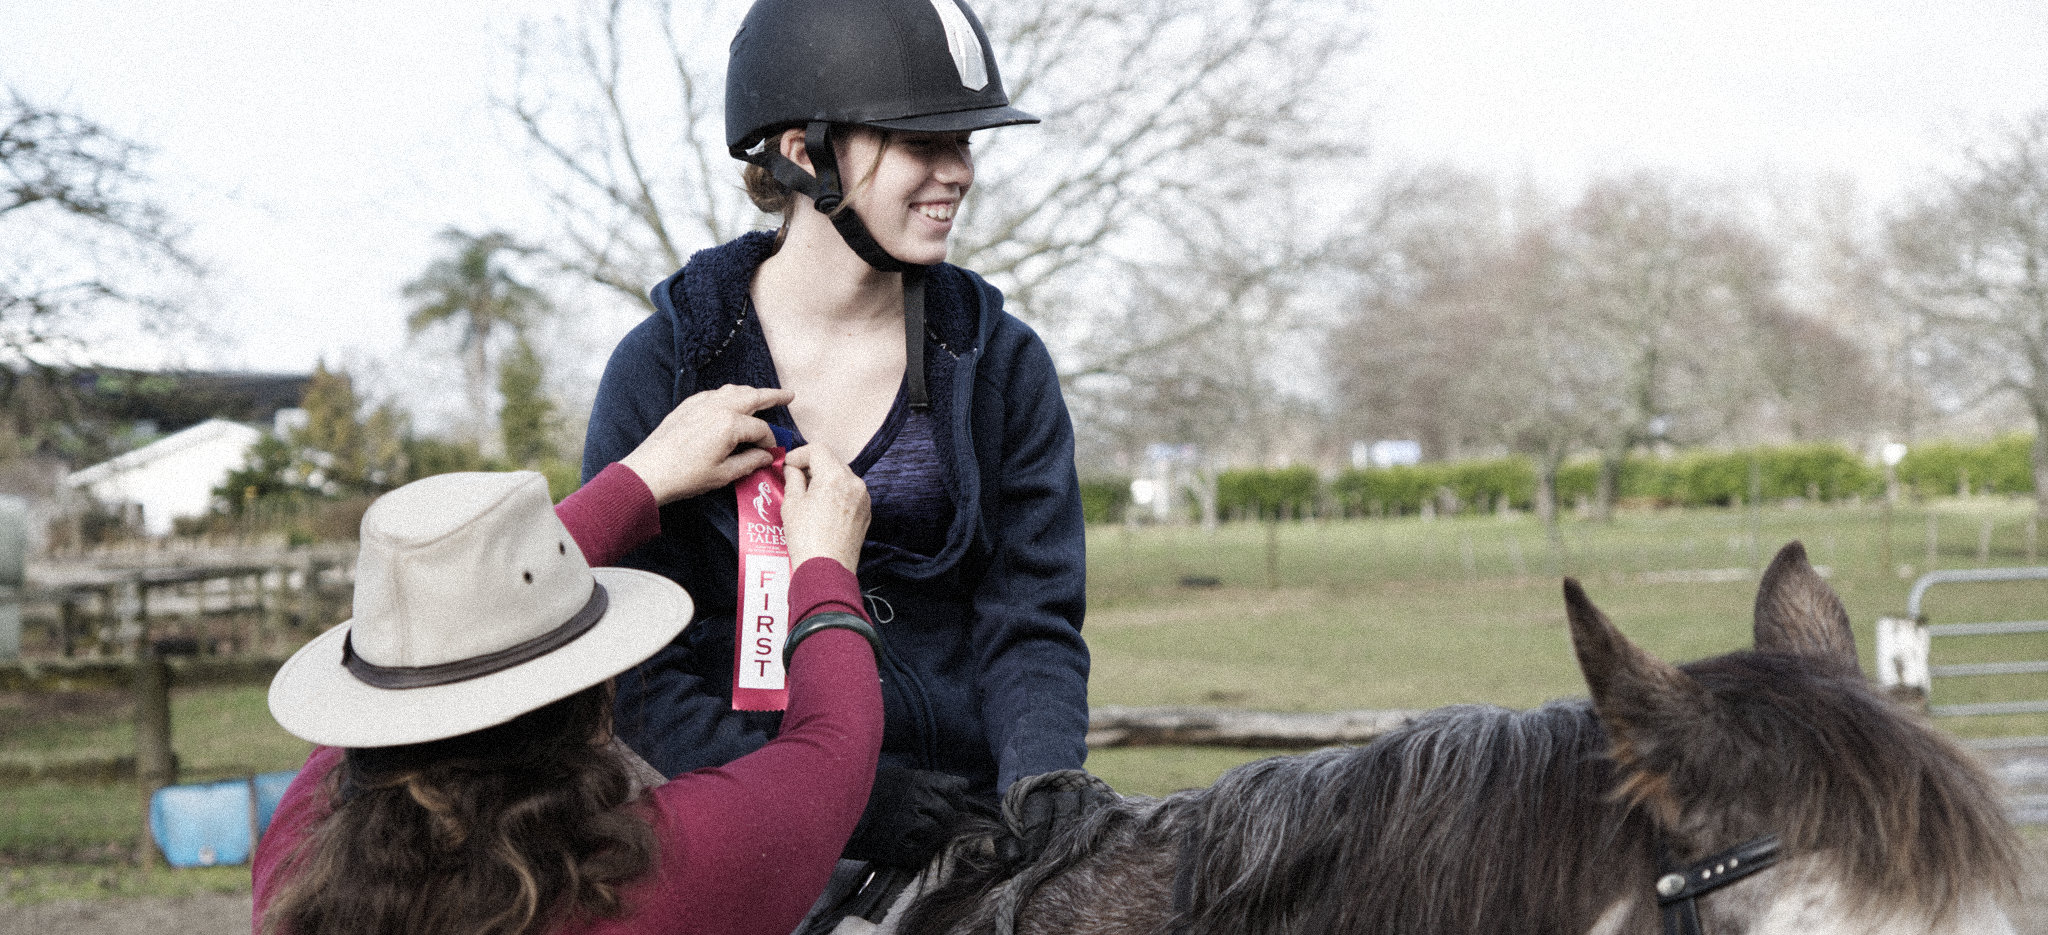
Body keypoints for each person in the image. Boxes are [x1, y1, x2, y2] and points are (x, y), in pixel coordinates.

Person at [581, 0, 1098, 882]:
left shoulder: (1002, 362)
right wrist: (846, 800)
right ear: (801, 150)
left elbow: (1032, 618)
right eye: (923, 144)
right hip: (740, 833)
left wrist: (1039, 784)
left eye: (967, 143)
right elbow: (640, 672)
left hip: (974, 824)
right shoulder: (664, 370)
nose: (959, 172)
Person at [254, 386, 884, 935]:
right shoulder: (654, 876)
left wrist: (638, 480)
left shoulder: (297, 864)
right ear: (596, 701)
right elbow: (833, 747)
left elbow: (443, 632)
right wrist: (824, 563)